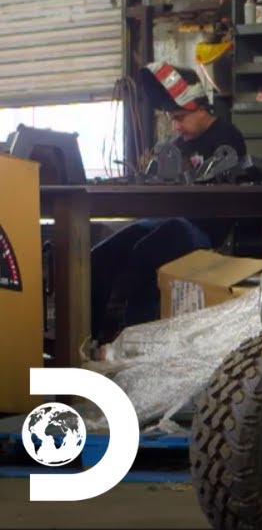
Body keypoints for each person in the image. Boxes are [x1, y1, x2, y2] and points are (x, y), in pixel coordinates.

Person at [89, 63, 248, 343]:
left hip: (206, 229)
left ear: (202, 110)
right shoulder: (179, 145)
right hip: (168, 220)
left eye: (180, 118)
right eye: (172, 119)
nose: (176, 126)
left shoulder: (228, 137)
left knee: (147, 252)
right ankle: (91, 337)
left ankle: (135, 340)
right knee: (101, 256)